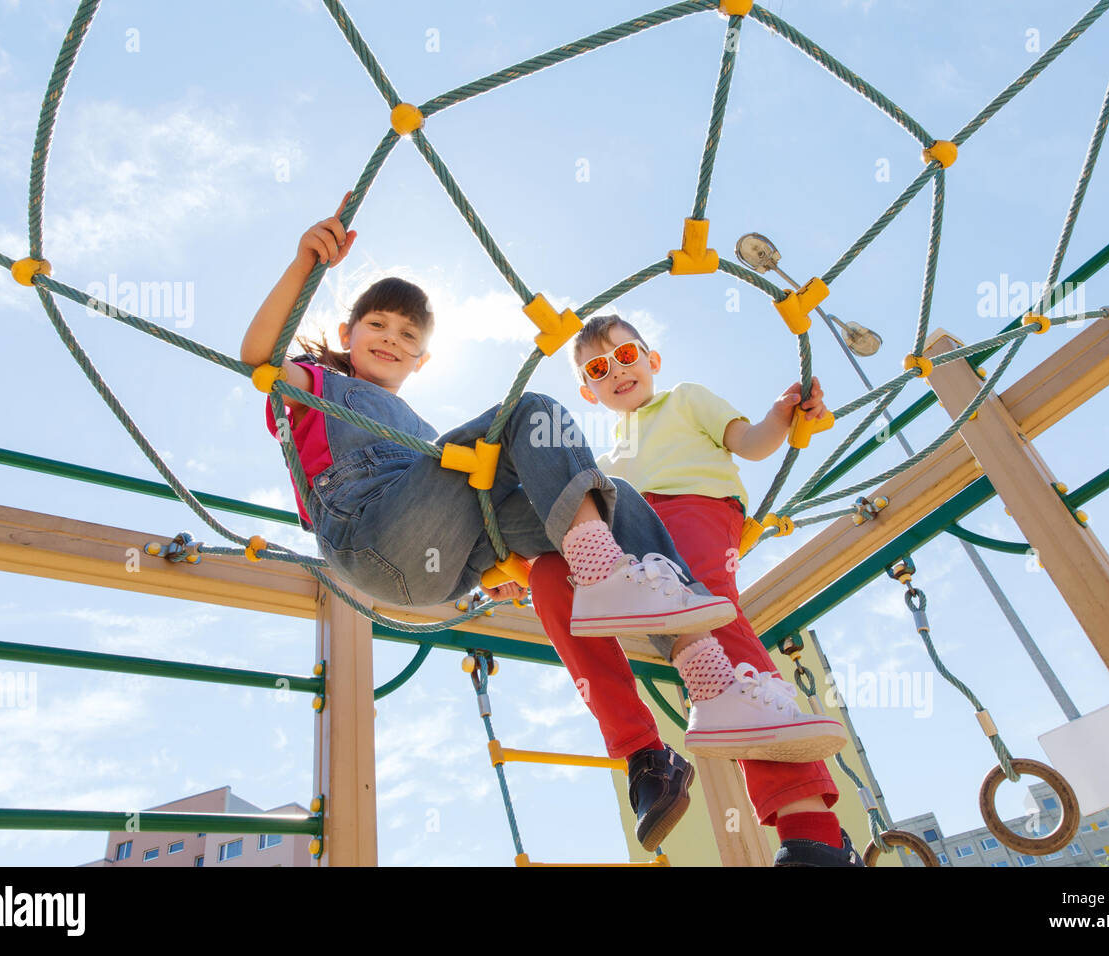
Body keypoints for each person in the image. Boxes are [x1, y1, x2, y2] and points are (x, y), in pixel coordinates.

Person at [240, 196, 823, 761]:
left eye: (409, 335)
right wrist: (305, 264)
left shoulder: (422, 432)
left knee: (614, 507)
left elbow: (460, 509)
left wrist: (492, 560)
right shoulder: (316, 383)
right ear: (347, 334)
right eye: (378, 325)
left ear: (424, 360)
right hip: (368, 531)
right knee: (529, 414)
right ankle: (607, 575)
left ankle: (715, 688)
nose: (392, 338)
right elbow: (257, 355)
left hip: (429, 570)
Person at [489, 314, 863, 866]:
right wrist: (513, 573)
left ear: (651, 359)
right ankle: (644, 756)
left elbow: (752, 443)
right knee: (548, 576)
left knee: (708, 617)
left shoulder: (685, 400)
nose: (617, 371)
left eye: (626, 355)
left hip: (693, 510)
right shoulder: (604, 464)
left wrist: (783, 416)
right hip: (632, 544)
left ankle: (813, 828)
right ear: (587, 392)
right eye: (598, 368)